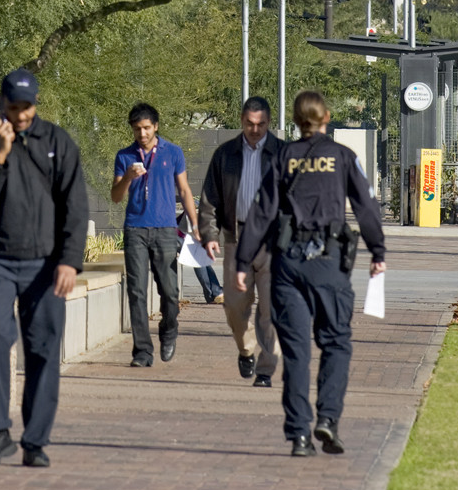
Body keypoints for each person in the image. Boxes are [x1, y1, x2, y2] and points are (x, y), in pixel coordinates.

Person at [236, 90, 385, 458]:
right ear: (327, 117)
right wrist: (377, 250)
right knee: (335, 342)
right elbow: (365, 205)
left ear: (297, 120)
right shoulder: (342, 157)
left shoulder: (283, 157)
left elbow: (260, 213)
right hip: (328, 262)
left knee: (297, 350)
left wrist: (242, 262)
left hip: (287, 264)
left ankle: (299, 434)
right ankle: (329, 419)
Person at [0, 68, 88, 469]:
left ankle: (35, 440)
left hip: (46, 265)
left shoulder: (57, 142)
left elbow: (75, 207)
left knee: (43, 349)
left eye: (27, 106)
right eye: (14, 107)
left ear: (35, 104)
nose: (21, 114)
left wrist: (69, 261)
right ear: (2, 104)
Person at [197, 95, 280, 385]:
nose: (255, 129)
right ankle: (246, 350)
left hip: (272, 242)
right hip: (236, 237)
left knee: (272, 309)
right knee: (235, 306)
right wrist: (209, 235)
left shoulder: (281, 154)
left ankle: (266, 370)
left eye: (261, 124)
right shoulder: (225, 155)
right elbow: (209, 199)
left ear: (270, 123)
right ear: (242, 122)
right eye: (249, 123)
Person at [111, 104, 201, 367]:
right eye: (137, 128)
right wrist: (127, 176)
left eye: (146, 127)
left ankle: (169, 329)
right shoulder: (125, 156)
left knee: (170, 292)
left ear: (156, 126)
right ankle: (142, 352)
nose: (142, 133)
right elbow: (116, 198)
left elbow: (184, 190)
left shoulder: (172, 152)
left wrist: (195, 224)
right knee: (137, 292)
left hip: (164, 230)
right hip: (135, 229)